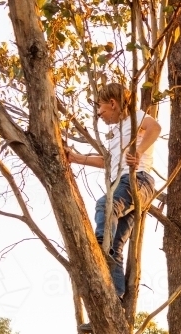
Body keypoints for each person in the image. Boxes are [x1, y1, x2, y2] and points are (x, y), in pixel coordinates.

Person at [66, 82, 160, 304]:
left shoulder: (133, 118)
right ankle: (114, 301)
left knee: (106, 204)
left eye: (101, 109)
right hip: (124, 185)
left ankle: (100, 245)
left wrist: (137, 152)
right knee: (116, 245)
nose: (99, 115)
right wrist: (75, 158)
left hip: (138, 181)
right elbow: (107, 162)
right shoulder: (117, 133)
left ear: (113, 103)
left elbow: (155, 127)